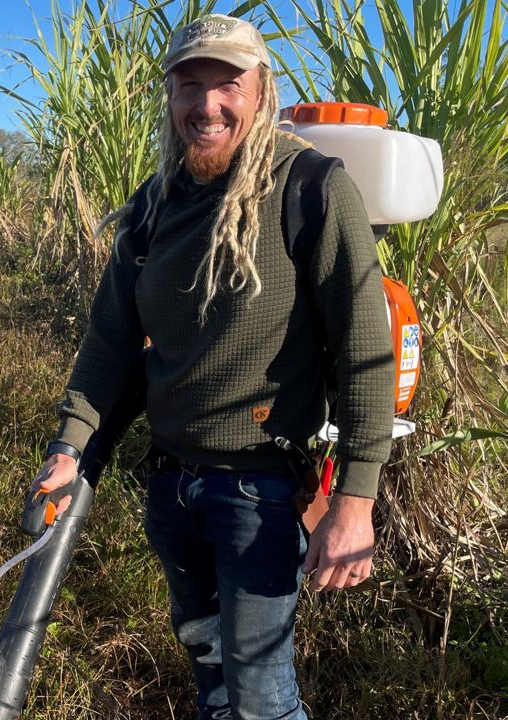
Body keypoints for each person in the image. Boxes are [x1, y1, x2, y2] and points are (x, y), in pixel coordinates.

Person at [31, 13, 394, 720]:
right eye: (189, 85)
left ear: (261, 92)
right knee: (211, 674)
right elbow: (110, 343)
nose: (207, 105)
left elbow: (364, 353)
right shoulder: (153, 205)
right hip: (171, 490)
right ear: (169, 97)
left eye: (227, 84)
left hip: (258, 494)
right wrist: (71, 448)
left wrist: (354, 501)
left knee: (262, 697)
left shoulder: (311, 188)